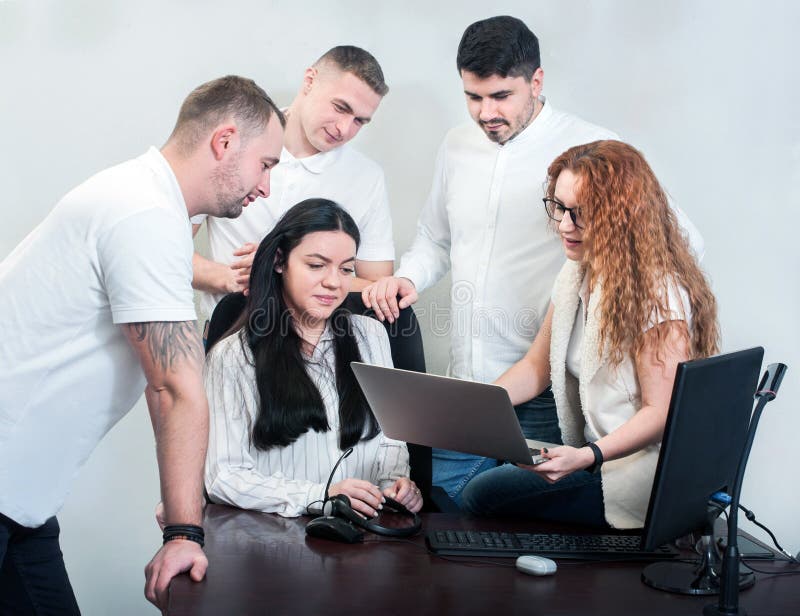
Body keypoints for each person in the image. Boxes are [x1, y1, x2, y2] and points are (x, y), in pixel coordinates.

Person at [363, 16, 704, 506]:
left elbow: (665, 239)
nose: (485, 113)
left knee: (513, 521)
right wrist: (407, 279)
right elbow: (434, 239)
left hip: (550, 393)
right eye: (473, 96)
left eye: (501, 96)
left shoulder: (593, 155)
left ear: (536, 82)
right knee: (435, 508)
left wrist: (642, 312)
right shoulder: (456, 147)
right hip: (480, 384)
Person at [0, 75, 285, 612]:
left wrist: (225, 278)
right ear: (224, 142)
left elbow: (164, 264)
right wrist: (184, 533)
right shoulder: (145, 214)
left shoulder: (145, 200)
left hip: (22, 502)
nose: (266, 186)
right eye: (266, 164)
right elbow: (175, 385)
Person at [460, 140, 719, 528]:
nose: (564, 225)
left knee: (479, 495)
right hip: (595, 459)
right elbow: (536, 366)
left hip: (636, 475)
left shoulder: (658, 296)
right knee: (482, 489)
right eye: (560, 208)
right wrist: (476, 405)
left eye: (579, 214)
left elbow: (661, 413)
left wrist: (587, 456)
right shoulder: (577, 273)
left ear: (622, 215)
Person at [204, 199, 423, 519]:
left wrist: (397, 484)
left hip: (362, 533)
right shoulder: (233, 358)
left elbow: (389, 438)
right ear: (280, 261)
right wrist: (319, 496)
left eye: (346, 268)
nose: (334, 282)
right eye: (316, 265)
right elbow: (223, 477)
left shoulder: (371, 335)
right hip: (274, 538)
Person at [193, 45, 395, 331]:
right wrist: (230, 277)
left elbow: (378, 289)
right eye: (340, 108)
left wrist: (280, 270)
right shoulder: (235, 145)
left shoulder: (367, 177)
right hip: (227, 334)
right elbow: (165, 251)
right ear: (309, 81)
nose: (344, 129)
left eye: (359, 121)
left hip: (317, 349)